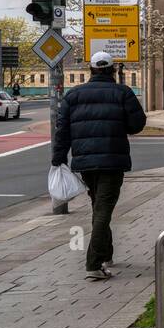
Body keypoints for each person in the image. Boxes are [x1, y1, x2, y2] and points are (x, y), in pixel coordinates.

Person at [52, 51, 146, 280]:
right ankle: (94, 264)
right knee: (103, 209)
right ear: (113, 70)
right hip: (113, 161)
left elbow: (61, 131)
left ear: (91, 70)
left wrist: (58, 158)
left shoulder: (73, 96)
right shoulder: (122, 93)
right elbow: (137, 124)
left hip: (85, 162)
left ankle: (106, 254)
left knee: (98, 205)